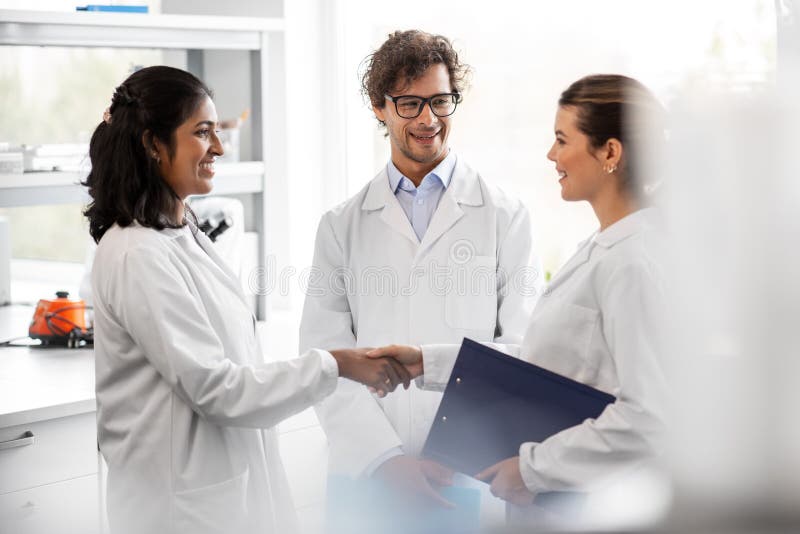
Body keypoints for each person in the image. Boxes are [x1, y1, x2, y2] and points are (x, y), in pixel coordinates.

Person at [84, 65, 411, 534]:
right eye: (202, 132)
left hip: (223, 489)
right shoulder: (137, 253)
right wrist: (336, 364)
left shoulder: (181, 231)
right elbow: (217, 389)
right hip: (176, 508)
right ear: (153, 144)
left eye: (217, 132)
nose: (218, 147)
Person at [368, 74, 669, 526]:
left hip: (585, 510)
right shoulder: (603, 247)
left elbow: (649, 416)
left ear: (610, 152)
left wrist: (532, 470)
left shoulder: (632, 264)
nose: (551, 155)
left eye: (562, 140)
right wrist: (424, 363)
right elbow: (541, 368)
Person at [299, 29, 541, 505]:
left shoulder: (505, 216)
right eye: (410, 103)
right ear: (379, 106)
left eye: (441, 101)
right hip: (366, 476)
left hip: (468, 475)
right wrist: (384, 459)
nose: (429, 118)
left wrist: (460, 452)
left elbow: (524, 350)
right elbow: (323, 357)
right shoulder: (340, 225)